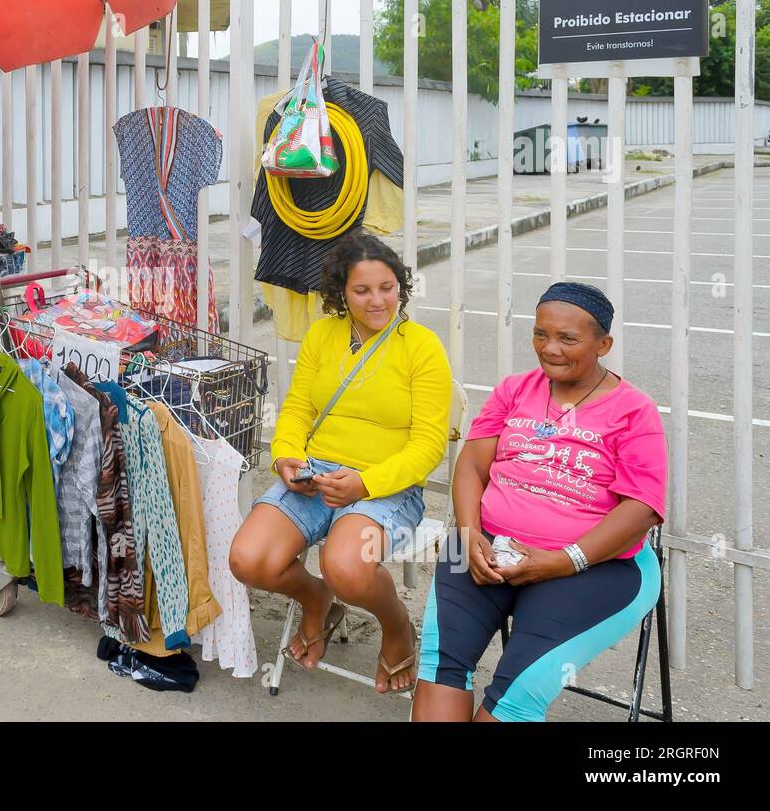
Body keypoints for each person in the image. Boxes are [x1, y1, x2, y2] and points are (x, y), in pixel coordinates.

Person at [412, 282, 665, 722]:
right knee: (442, 666)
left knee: (516, 695)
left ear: (603, 344)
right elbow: (472, 465)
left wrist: (563, 561)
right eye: (540, 335)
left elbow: (640, 509)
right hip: (486, 544)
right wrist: (470, 533)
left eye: (568, 339)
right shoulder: (515, 390)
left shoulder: (634, 411)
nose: (550, 349)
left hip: (596, 567)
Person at [229, 231, 450, 692]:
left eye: (387, 288)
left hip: (386, 488)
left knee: (346, 565)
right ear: (340, 293)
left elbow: (429, 445)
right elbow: (296, 410)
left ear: (401, 287)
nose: (377, 301)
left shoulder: (422, 347)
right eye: (362, 290)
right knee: (249, 560)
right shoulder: (323, 334)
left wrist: (365, 484)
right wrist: (287, 458)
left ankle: (396, 629)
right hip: (316, 474)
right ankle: (318, 601)